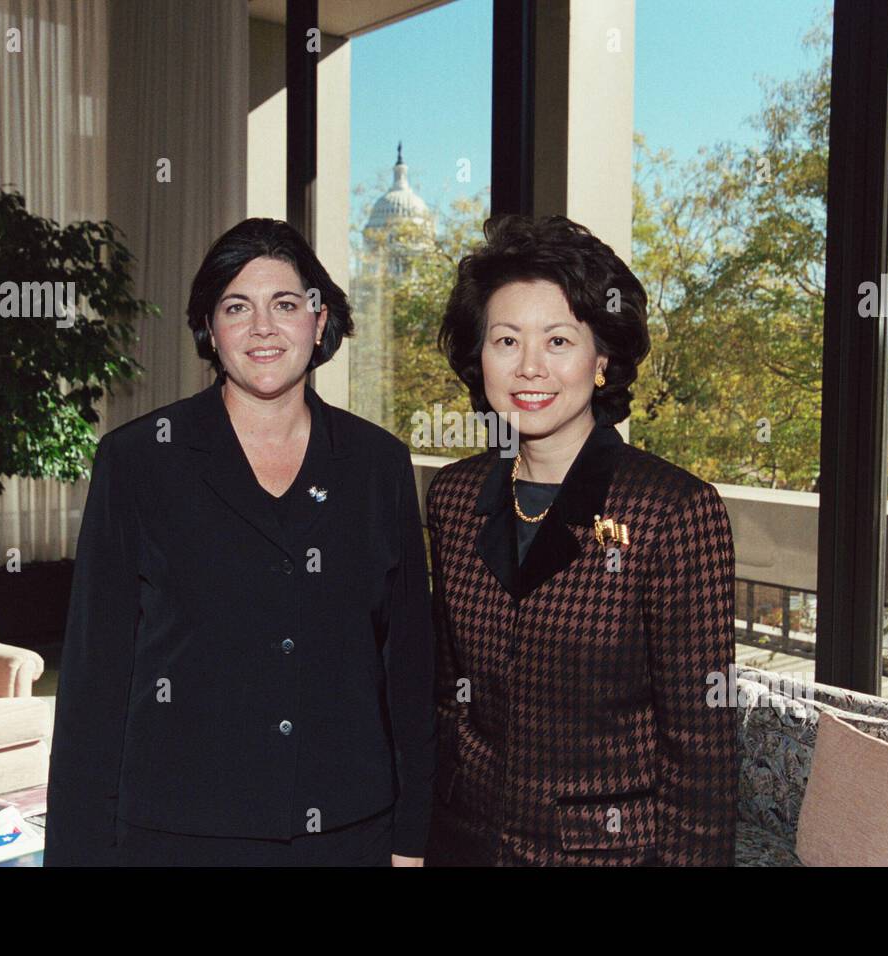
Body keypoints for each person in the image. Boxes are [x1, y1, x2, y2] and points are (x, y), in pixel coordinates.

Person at [45, 218, 435, 866]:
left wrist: (411, 839)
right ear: (209, 328)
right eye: (237, 307)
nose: (263, 327)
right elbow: (94, 686)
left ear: (320, 321)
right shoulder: (138, 461)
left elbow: (410, 669)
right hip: (178, 837)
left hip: (346, 835)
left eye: (286, 304)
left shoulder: (378, 466)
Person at [424, 214, 738, 866]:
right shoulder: (453, 498)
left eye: (559, 341)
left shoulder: (672, 512)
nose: (530, 367)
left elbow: (700, 750)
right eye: (506, 340)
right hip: (465, 842)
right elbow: (448, 699)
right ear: (478, 358)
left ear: (601, 361)